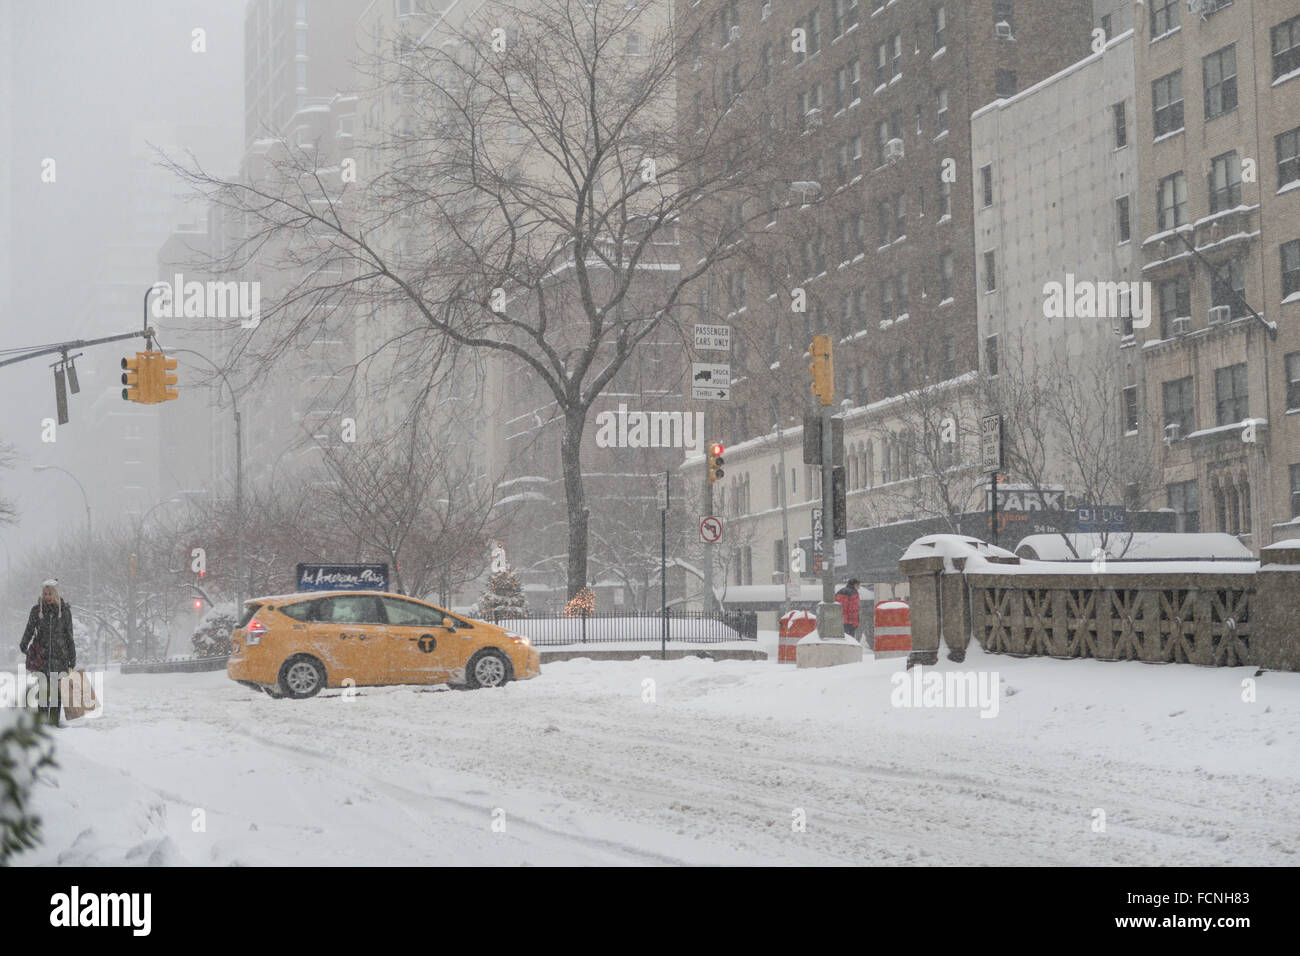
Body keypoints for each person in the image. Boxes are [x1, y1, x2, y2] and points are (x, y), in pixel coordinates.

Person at [18, 579, 76, 727]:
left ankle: (54, 723)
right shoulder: (36, 611)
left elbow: (69, 635)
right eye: (45, 594)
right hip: (42, 658)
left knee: (56, 694)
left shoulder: (64, 611)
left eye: (50, 593)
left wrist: (72, 657)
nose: (47, 597)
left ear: (56, 594)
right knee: (43, 693)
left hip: (60, 658)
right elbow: (29, 630)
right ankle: (43, 724)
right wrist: (24, 646)